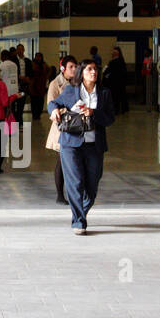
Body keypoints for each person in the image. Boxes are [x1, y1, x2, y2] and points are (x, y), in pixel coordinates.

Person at [49, 59, 116, 234]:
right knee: (75, 181)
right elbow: (53, 103)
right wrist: (54, 111)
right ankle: (78, 221)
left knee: (92, 185)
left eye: (95, 69)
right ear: (82, 72)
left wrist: (94, 113)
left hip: (94, 144)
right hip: (71, 143)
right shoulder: (71, 91)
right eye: (89, 69)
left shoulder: (104, 93)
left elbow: (110, 118)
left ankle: (81, 213)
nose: (93, 72)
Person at [45, 55, 78, 204]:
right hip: (62, 127)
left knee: (74, 162)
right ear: (63, 68)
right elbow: (51, 106)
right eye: (71, 67)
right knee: (62, 161)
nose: (74, 69)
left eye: (75, 66)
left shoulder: (79, 83)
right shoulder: (55, 84)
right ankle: (60, 194)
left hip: (77, 126)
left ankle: (74, 193)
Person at [103, 46, 129, 114]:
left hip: (114, 82)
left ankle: (116, 110)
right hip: (120, 81)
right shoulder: (121, 61)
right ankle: (123, 109)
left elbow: (108, 71)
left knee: (115, 97)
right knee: (121, 96)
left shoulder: (113, 62)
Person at [0, 49, 20, 119]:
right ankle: (13, 126)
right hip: (15, 90)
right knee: (13, 109)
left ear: (3, 56)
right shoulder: (14, 65)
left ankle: (6, 125)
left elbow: (0, 77)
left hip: (6, 90)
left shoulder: (2, 65)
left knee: (5, 109)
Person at [28, 52, 49, 122]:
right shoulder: (32, 64)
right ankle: (34, 115)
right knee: (34, 101)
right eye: (37, 56)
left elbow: (50, 70)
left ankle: (38, 115)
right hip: (33, 85)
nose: (38, 58)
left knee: (40, 101)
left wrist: (46, 77)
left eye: (39, 57)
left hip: (41, 85)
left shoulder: (44, 64)